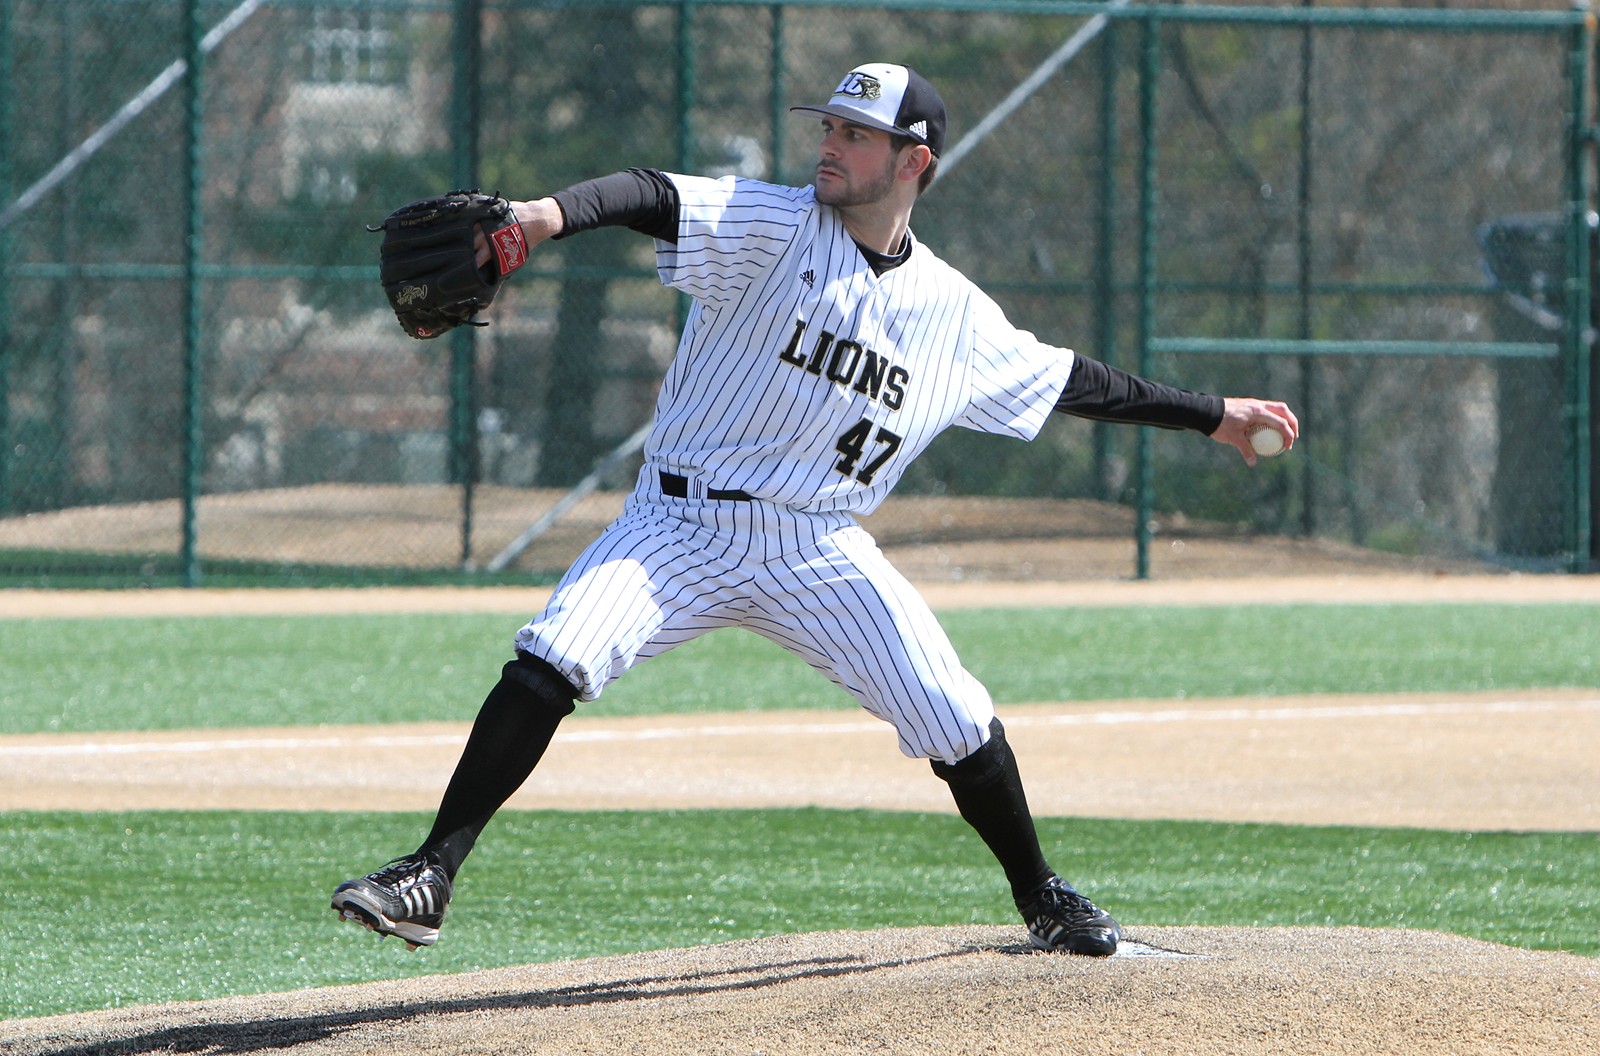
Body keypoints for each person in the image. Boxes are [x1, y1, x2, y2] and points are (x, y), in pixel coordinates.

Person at [331, 62, 1299, 958]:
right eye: (829, 125)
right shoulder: (774, 223)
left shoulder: (953, 314)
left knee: (952, 713)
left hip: (815, 547)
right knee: (558, 652)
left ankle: (1041, 894)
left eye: (858, 133)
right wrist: (540, 218)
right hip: (680, 525)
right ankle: (429, 871)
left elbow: (1073, 381)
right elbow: (650, 194)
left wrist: (1210, 414)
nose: (830, 144)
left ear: (913, 160)